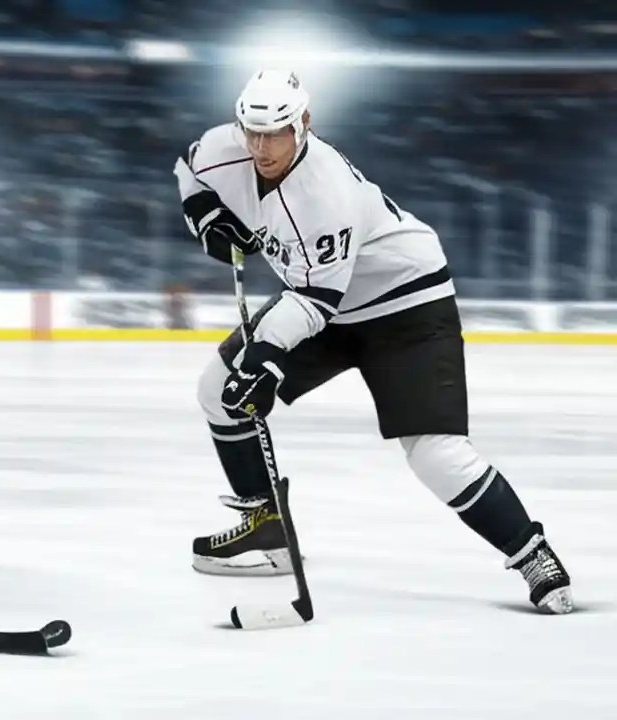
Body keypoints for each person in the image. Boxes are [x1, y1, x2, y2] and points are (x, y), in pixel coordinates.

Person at [174, 69, 573, 614]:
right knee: (219, 389)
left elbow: (317, 301)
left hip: (404, 305)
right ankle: (266, 528)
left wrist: (266, 361)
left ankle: (532, 554)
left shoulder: (325, 189)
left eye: (276, 133)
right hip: (324, 302)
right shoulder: (228, 148)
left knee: (435, 453)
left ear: (304, 124)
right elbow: (188, 167)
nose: (262, 148)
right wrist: (207, 216)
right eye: (253, 132)